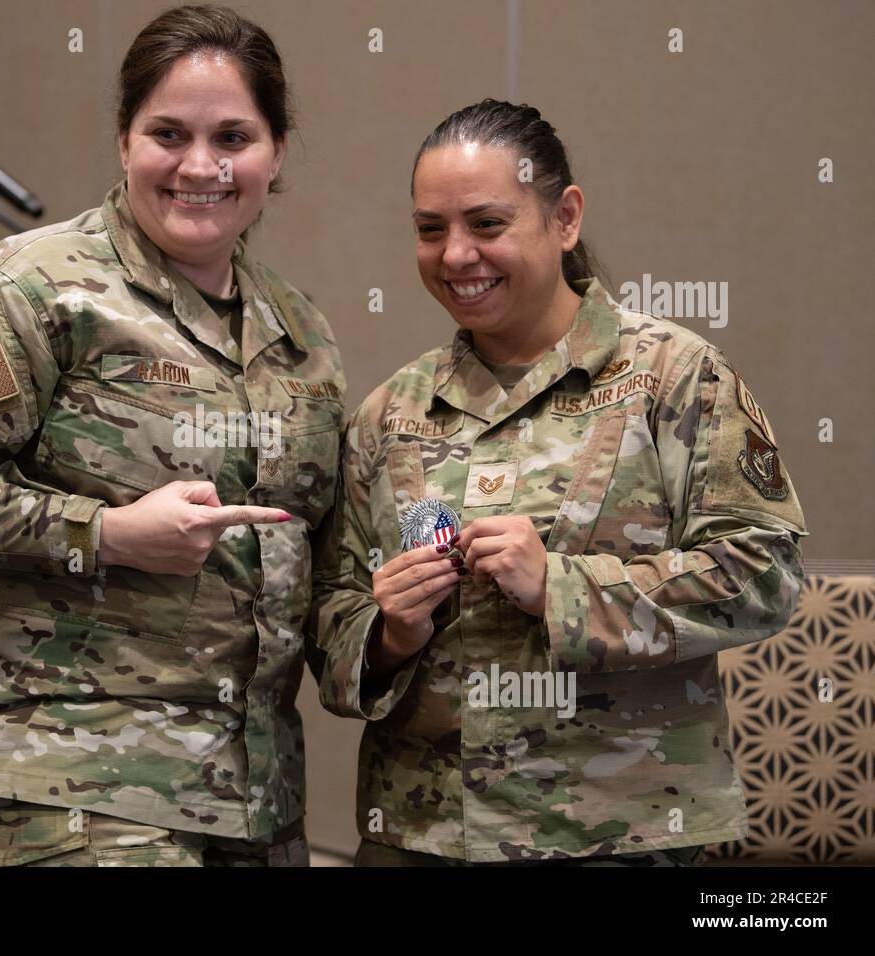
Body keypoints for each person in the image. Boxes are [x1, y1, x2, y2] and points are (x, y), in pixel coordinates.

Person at [0, 5, 344, 866]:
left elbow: (314, 552)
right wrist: (108, 534)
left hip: (256, 806)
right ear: (124, 141)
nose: (201, 165)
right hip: (70, 786)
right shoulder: (30, 290)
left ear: (275, 152)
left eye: (233, 136)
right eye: (168, 133)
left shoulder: (302, 334)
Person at [306, 99, 808, 866]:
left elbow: (764, 576)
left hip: (619, 835)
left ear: (564, 217)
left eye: (487, 224)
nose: (455, 255)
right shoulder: (389, 415)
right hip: (424, 834)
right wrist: (387, 634)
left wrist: (562, 589)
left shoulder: (672, 378)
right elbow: (330, 615)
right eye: (430, 229)